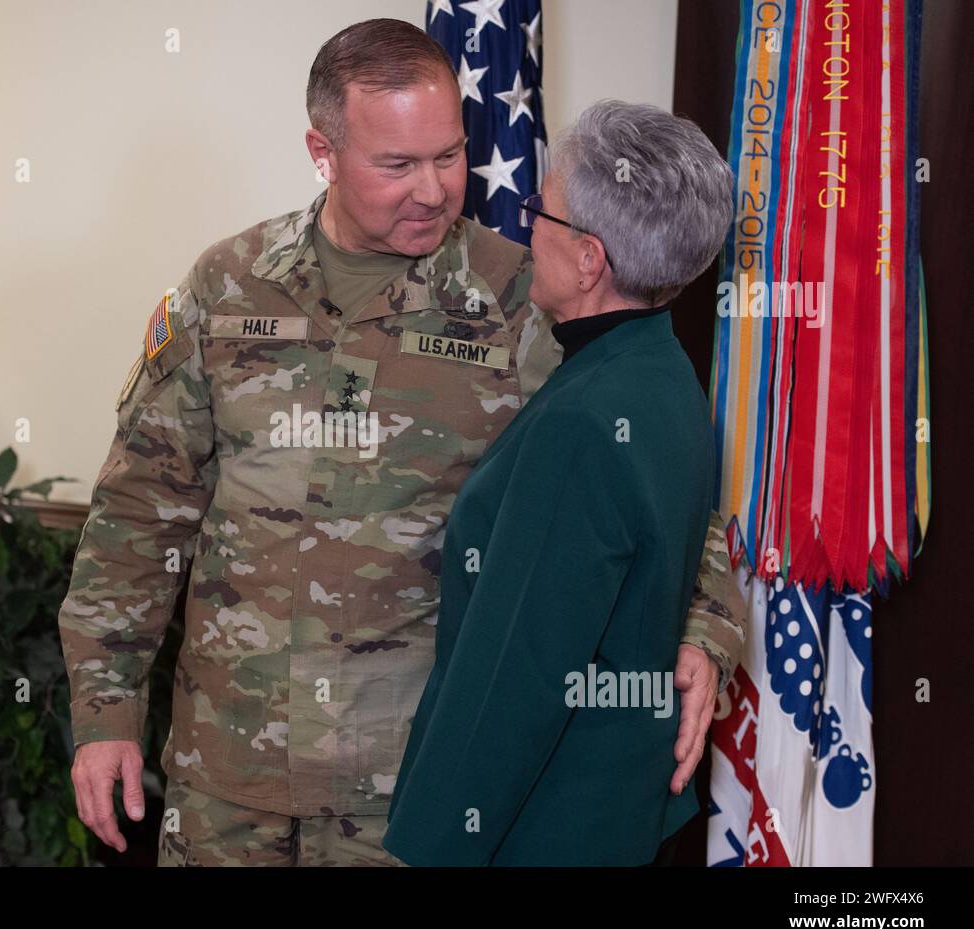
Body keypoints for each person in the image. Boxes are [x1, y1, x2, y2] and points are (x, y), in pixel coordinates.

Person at [59, 19, 744, 867]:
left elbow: (649, 482)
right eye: (398, 165)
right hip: (226, 779)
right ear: (325, 150)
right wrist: (105, 711)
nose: (434, 189)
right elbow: (139, 510)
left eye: (450, 155)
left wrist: (704, 630)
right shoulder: (225, 287)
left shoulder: (525, 298)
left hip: (414, 796)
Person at [381, 100, 735, 866]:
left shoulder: (585, 422)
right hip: (609, 813)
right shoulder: (660, 374)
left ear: (589, 260)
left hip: (538, 829)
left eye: (540, 209)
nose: (525, 226)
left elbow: (518, 674)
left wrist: (436, 845)